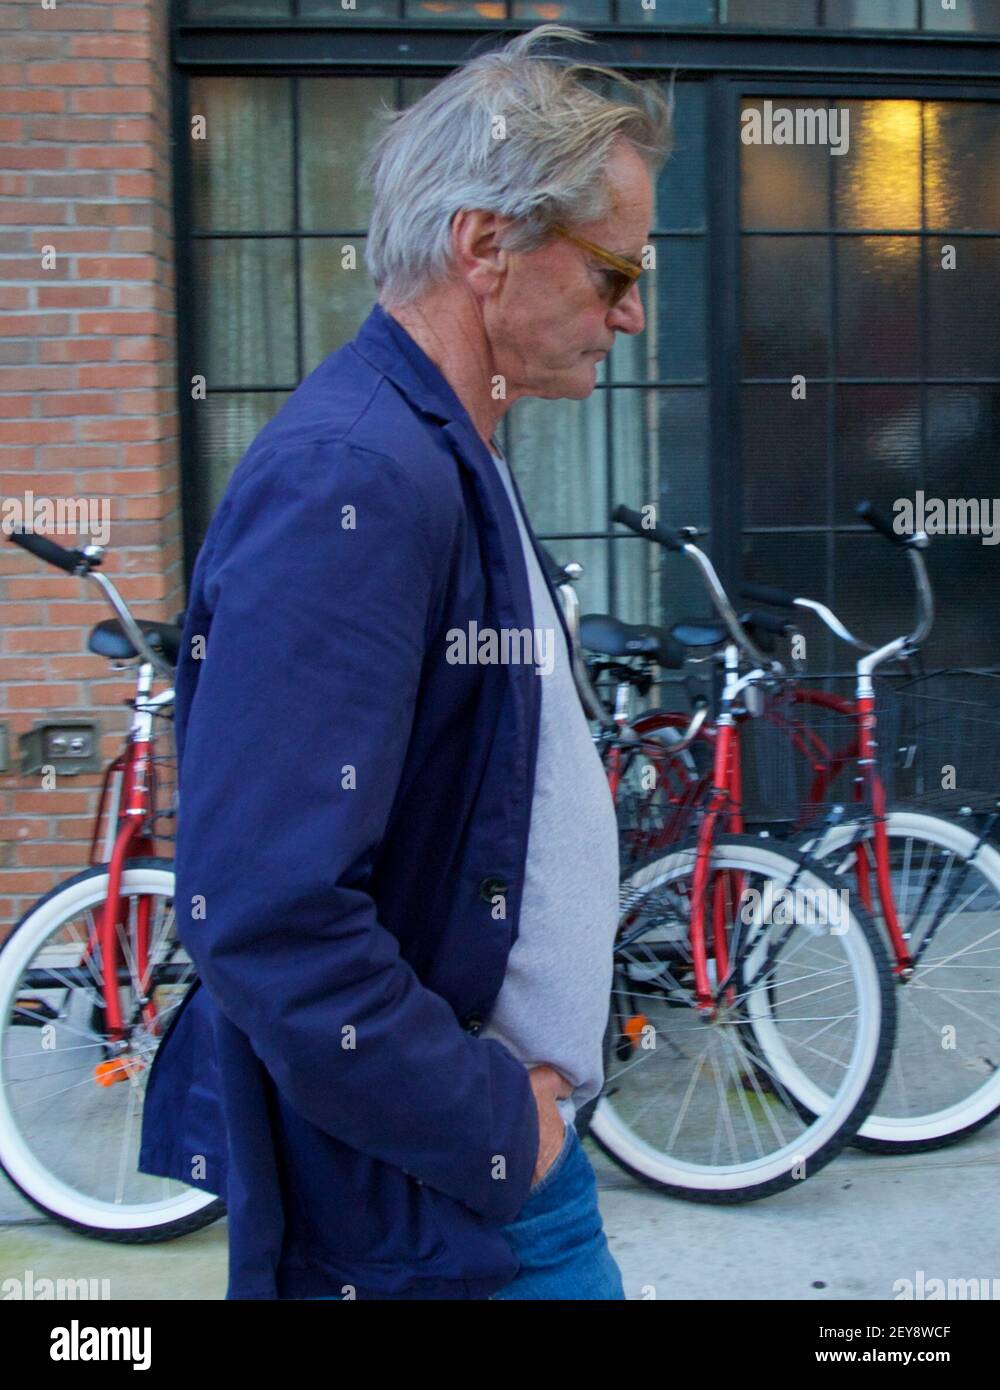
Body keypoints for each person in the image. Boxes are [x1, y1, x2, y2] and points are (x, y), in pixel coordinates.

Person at [138, 22, 673, 1301]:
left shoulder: (441, 445)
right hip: (447, 1212)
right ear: (487, 245)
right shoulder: (357, 477)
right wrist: (493, 1127)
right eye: (614, 273)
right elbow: (267, 913)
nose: (635, 311)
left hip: (480, 1190)